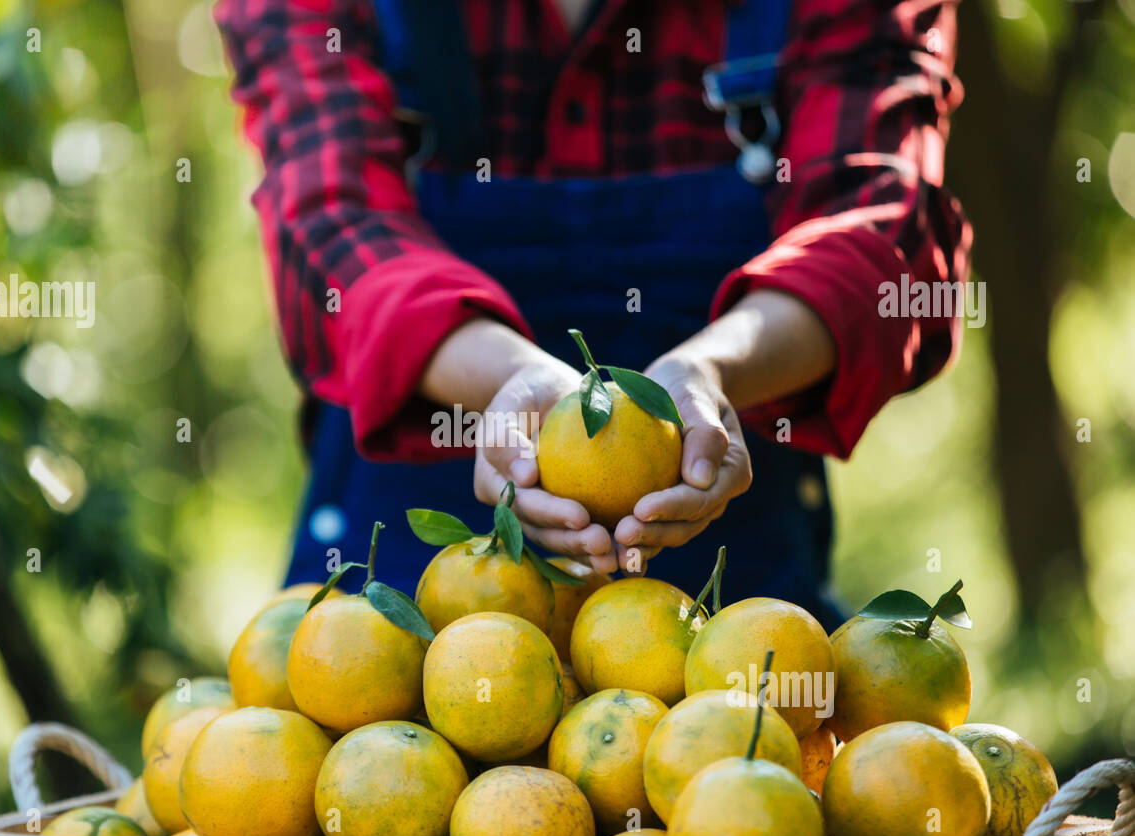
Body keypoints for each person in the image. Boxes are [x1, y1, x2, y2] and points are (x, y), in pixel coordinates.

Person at [214, 0, 971, 627]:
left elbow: (887, 235)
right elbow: (327, 227)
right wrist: (509, 378)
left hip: (734, 651)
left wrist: (709, 370)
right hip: (389, 649)